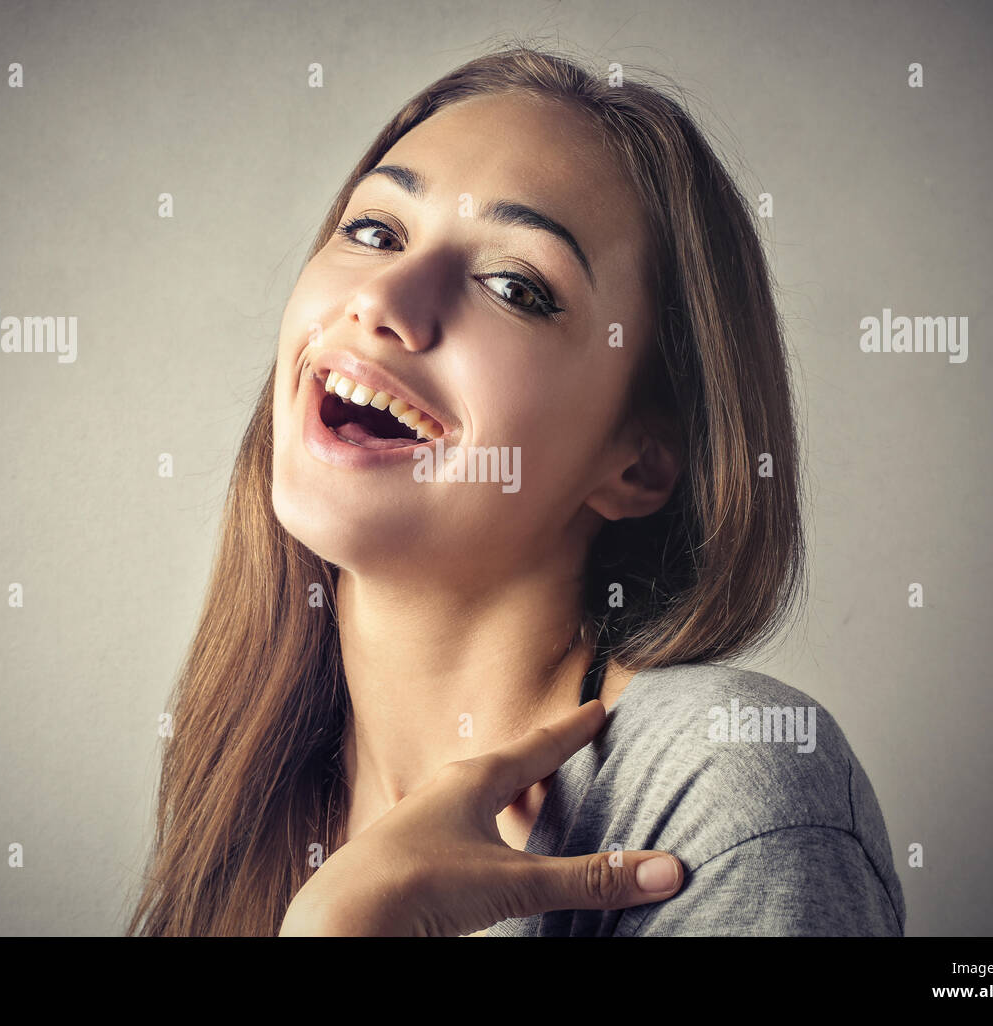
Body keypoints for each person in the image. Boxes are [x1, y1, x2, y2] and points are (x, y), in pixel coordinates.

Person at [127, 43, 905, 937]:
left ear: (639, 461)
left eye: (515, 286)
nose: (384, 298)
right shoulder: (250, 790)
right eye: (376, 231)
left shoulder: (727, 787)